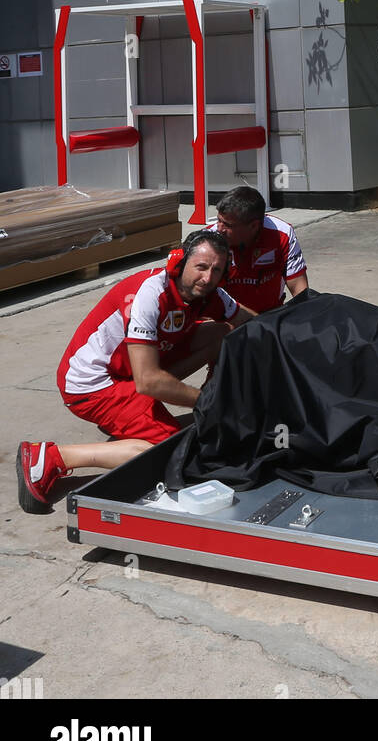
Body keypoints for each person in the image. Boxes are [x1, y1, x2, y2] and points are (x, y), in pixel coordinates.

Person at [17, 230, 258, 513]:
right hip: (92, 385)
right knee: (167, 452)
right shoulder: (149, 294)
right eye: (201, 267)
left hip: (130, 371)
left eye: (216, 270)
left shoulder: (208, 293)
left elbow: (250, 323)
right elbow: (148, 381)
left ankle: (145, 416)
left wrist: (289, 331)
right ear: (179, 263)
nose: (207, 278)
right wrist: (210, 403)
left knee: (223, 333)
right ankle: (50, 458)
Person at [208, 187, 308, 313]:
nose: (219, 229)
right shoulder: (208, 241)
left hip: (270, 318)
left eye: (227, 225)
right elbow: (201, 299)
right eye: (218, 220)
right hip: (225, 321)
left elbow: (300, 290)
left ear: (254, 226)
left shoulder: (282, 234)